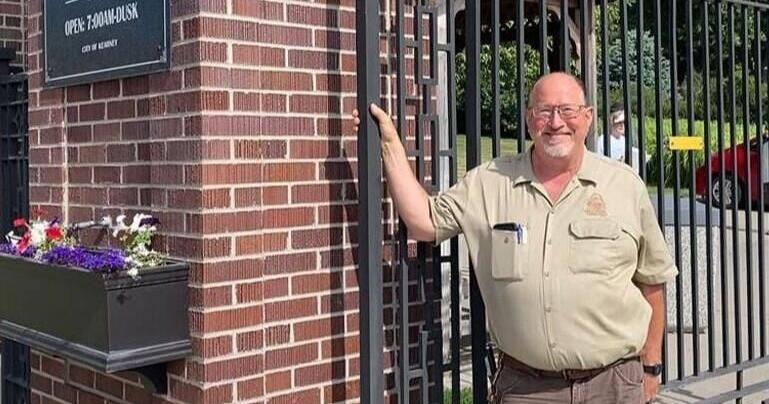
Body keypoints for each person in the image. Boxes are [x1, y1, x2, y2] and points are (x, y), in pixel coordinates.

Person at [353, 72, 677, 403]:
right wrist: (390, 145)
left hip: (613, 386)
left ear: (588, 117)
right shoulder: (488, 183)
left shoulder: (623, 186)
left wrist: (651, 367)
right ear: (528, 118)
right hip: (525, 388)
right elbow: (424, 220)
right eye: (543, 110)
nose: (555, 122)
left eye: (567, 110)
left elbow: (652, 282)